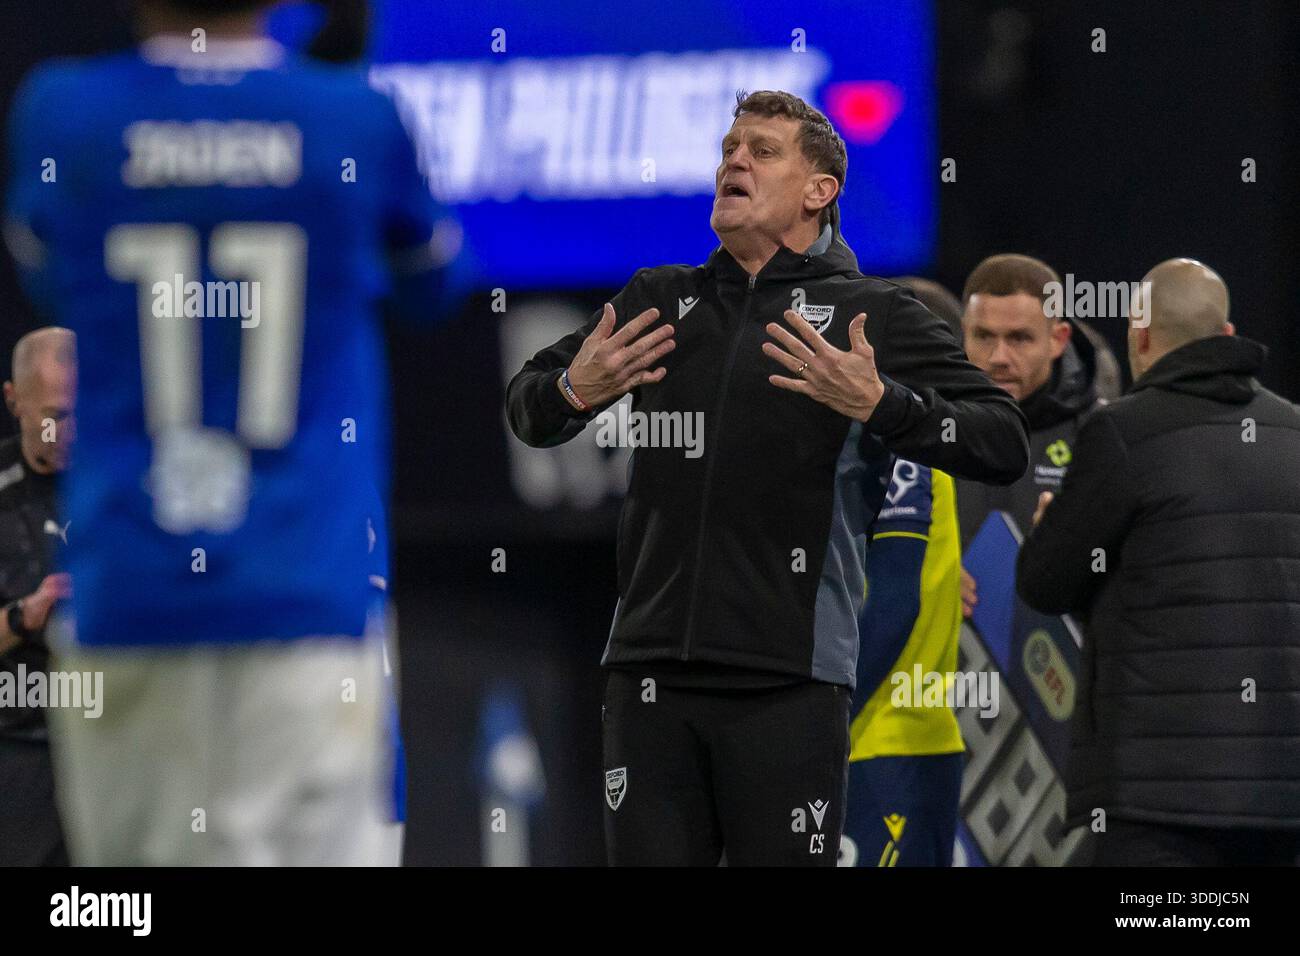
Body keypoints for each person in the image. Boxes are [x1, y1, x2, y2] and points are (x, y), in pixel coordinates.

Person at [507, 89, 1028, 866]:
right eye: (727, 149)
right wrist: (572, 391)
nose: (734, 162)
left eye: (762, 150)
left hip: (788, 685)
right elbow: (529, 409)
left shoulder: (872, 317)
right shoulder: (661, 299)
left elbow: (1001, 439)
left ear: (820, 192)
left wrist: (883, 403)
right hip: (650, 682)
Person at [5, 0, 456, 864]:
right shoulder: (352, 117)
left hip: (131, 593)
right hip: (304, 594)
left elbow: (48, 273)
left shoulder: (62, 111)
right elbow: (432, 284)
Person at [1016, 258, 1300, 866]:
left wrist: (1048, 535)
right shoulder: (1293, 433)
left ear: (1139, 338)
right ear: (1227, 336)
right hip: (1280, 796)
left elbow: (1044, 581)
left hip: (1154, 799)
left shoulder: (1121, 432)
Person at [841, 283, 965, 868]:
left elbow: (894, 601)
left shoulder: (905, 450)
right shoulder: (918, 446)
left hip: (880, 744)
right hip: (903, 743)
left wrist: (821, 720)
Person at [953, 254, 1106, 618]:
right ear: (964, 332)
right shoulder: (926, 427)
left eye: (1019, 338)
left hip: (1054, 663)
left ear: (1058, 339)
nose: (999, 357)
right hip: (945, 668)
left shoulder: (1100, 435)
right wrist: (926, 573)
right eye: (984, 336)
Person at [0, 327, 74, 866]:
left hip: (127, 739)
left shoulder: (125, 488)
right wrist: (25, 616)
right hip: (21, 749)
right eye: (52, 414)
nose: (66, 430)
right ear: (13, 400)